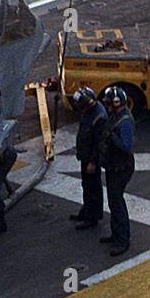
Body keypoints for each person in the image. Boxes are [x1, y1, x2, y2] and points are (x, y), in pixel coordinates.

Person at [98, 86, 135, 257]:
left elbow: (126, 146)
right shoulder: (117, 116)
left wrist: (113, 137)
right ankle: (116, 235)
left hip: (121, 168)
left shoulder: (124, 121)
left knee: (117, 203)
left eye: (108, 104)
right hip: (114, 166)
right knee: (113, 202)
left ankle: (122, 241)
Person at [69, 87, 107, 230]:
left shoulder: (99, 117)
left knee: (93, 187)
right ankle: (86, 211)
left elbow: (98, 143)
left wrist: (92, 161)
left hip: (91, 158)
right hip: (85, 155)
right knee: (86, 185)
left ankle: (92, 217)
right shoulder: (89, 111)